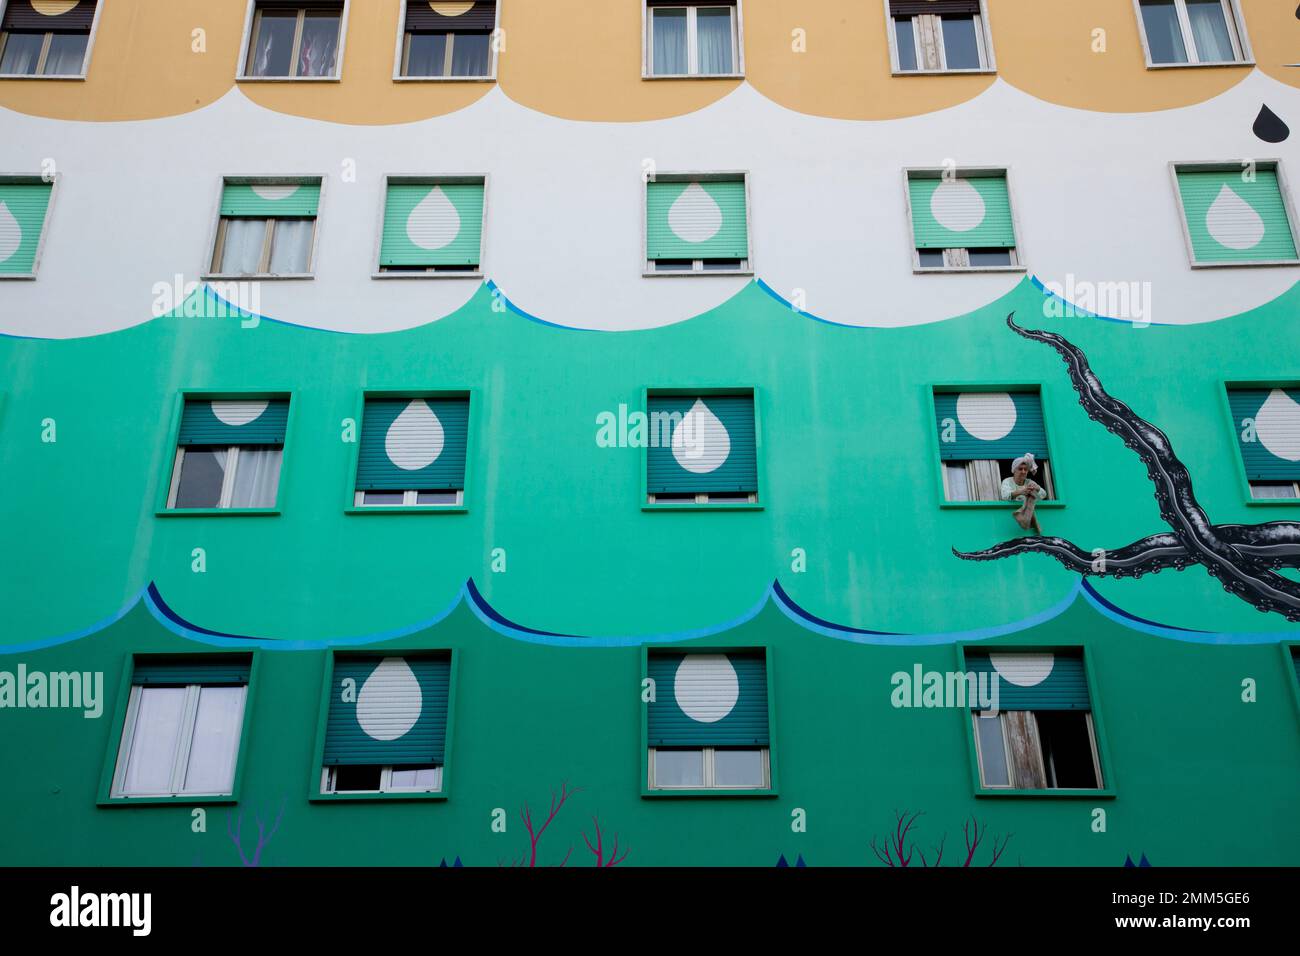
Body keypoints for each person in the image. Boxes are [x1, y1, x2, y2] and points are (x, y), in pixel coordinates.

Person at [1002, 453, 1045, 533]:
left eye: (1025, 469)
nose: (1023, 471)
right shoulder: (1007, 481)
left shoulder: (1029, 482)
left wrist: (1037, 488)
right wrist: (1021, 491)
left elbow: (1043, 495)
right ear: (1014, 470)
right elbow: (1005, 496)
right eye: (1020, 469)